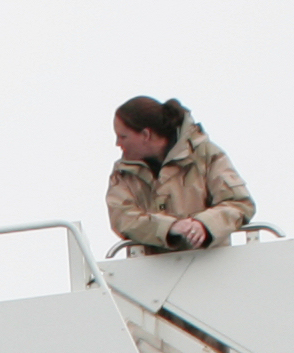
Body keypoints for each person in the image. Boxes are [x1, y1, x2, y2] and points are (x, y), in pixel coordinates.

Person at [106, 96, 255, 254]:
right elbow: (122, 219)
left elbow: (240, 203)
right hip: (151, 273)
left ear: (146, 135)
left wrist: (204, 225)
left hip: (211, 267)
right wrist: (169, 228)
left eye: (123, 136)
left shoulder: (206, 155)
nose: (118, 144)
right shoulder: (122, 174)